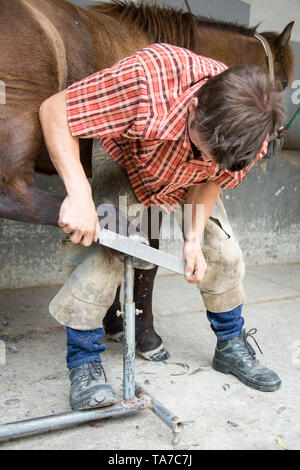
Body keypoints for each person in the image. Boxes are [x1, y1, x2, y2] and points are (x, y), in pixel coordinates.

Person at [39, 43, 285, 411]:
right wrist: (78, 193)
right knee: (107, 250)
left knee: (224, 252)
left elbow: (210, 176)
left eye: (215, 158)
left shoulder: (250, 133)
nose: (206, 159)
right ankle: (84, 361)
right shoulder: (145, 80)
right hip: (130, 157)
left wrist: (192, 240)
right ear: (195, 106)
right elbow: (55, 110)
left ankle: (232, 344)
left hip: (186, 181)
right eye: (203, 148)